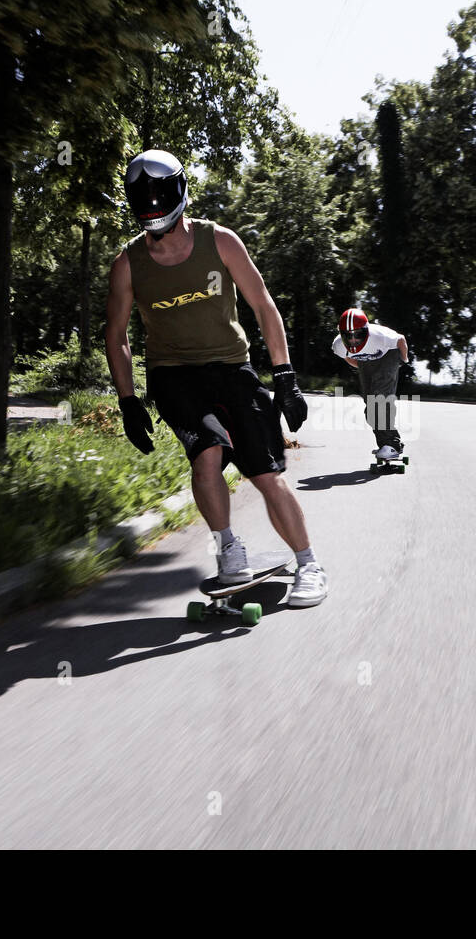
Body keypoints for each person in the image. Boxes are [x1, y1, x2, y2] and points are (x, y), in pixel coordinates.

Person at [104, 149, 327, 607]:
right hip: (173, 376)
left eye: (158, 193)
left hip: (233, 369)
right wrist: (128, 401)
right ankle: (229, 551)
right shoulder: (128, 264)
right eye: (141, 195)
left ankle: (308, 563)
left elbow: (263, 305)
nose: (151, 203)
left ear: (178, 190)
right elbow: (117, 334)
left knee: (264, 471)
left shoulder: (220, 241)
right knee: (206, 454)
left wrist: (285, 376)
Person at [330, 308, 412, 460]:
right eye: (349, 337)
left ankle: (391, 444)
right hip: (366, 360)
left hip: (389, 354)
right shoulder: (338, 345)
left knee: (380, 399)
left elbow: (401, 340)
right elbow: (349, 358)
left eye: (358, 336)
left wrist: (402, 361)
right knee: (370, 408)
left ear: (366, 331)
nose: (353, 341)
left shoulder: (381, 336)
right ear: (342, 335)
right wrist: (364, 365)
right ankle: (386, 444)